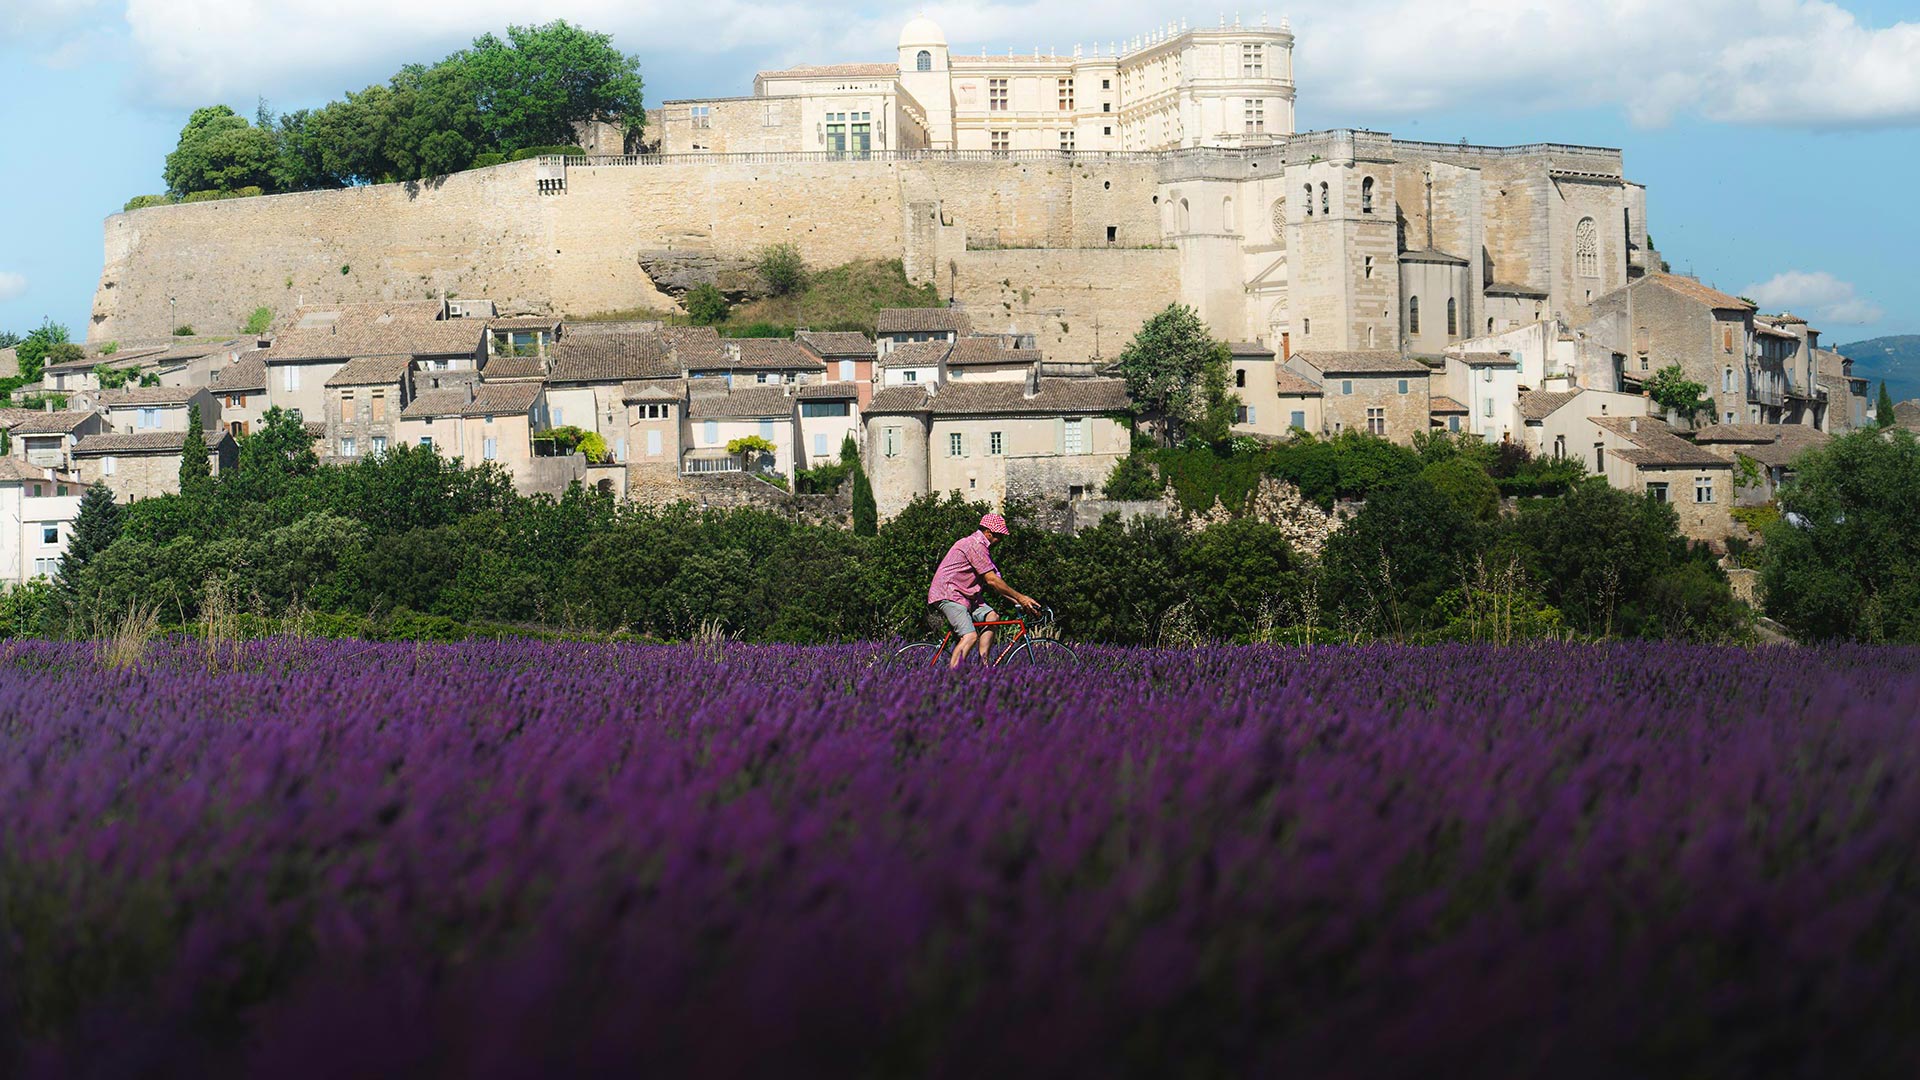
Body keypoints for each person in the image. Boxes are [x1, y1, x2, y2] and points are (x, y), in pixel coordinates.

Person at [926, 512, 1040, 669]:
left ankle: (983, 667)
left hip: (966, 596)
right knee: (970, 636)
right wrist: (1021, 598)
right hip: (949, 593)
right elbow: (991, 580)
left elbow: (998, 583)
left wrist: (1022, 602)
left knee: (992, 616)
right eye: (999, 535)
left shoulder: (984, 549)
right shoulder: (975, 545)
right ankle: (950, 679)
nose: (1001, 540)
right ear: (988, 532)